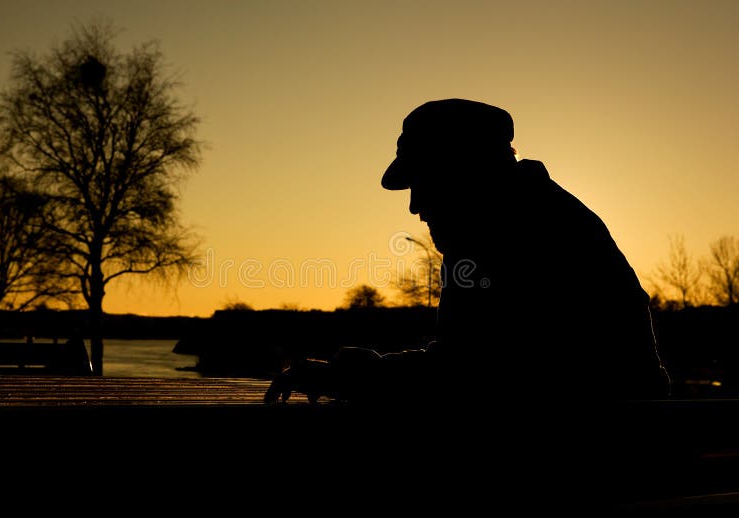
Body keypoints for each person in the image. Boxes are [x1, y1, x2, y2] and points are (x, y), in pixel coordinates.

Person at [265, 98, 670, 406]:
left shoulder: (508, 233)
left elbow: (465, 376)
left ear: (462, 173)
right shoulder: (529, 214)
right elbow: (471, 365)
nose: (414, 206)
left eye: (423, 182)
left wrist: (354, 375)